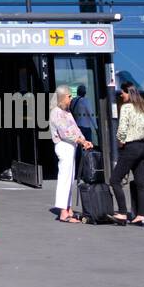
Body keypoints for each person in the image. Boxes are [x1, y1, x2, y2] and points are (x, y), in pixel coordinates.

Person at [107, 89, 144, 225]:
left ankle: (123, 213)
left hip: (130, 147)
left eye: (123, 93)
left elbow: (122, 127)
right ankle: (141, 215)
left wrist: (121, 140)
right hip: (143, 148)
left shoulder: (126, 108)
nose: (121, 95)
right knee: (140, 183)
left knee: (115, 180)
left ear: (129, 95)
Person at [50, 84, 93, 223]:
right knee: (65, 178)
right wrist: (81, 141)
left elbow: (75, 128)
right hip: (64, 146)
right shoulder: (56, 112)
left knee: (69, 178)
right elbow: (65, 132)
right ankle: (63, 212)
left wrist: (84, 141)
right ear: (62, 97)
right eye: (69, 96)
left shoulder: (66, 111)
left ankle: (67, 208)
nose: (71, 98)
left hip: (71, 146)